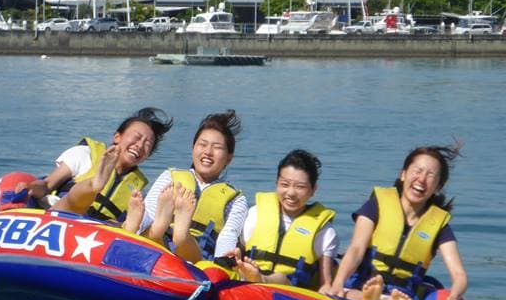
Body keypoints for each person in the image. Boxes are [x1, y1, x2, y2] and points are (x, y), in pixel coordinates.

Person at [326, 145, 468, 300]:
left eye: (430, 175)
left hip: (401, 294)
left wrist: (454, 295)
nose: (422, 179)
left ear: (437, 187)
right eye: (418, 171)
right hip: (363, 282)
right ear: (403, 174)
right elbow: (356, 249)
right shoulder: (376, 204)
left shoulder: (439, 226)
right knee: (350, 294)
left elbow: (459, 274)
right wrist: (338, 282)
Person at [130, 110, 247, 263]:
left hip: (197, 259)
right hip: (160, 247)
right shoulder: (171, 177)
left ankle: (182, 234)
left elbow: (228, 235)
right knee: (151, 224)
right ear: (193, 148)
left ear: (229, 158)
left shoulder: (235, 199)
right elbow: (151, 212)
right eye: (202, 145)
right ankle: (142, 227)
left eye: (217, 147)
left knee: (181, 243)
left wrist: (223, 261)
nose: (208, 152)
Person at [21, 107, 173, 223]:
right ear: (117, 137)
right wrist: (29, 188)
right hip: (57, 217)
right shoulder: (85, 154)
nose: (140, 145)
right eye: (137, 137)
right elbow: (47, 184)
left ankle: (94, 187)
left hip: (92, 235)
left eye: (148, 144)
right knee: (75, 201)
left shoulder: (137, 189)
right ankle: (94, 184)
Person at [235, 149, 337, 290]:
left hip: (291, 294)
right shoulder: (255, 214)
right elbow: (239, 252)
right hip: (247, 286)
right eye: (284, 184)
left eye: (300, 187)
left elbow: (325, 283)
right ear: (276, 183)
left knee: (282, 278)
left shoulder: (324, 232)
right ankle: (254, 277)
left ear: (313, 189)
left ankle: (261, 279)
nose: (291, 193)